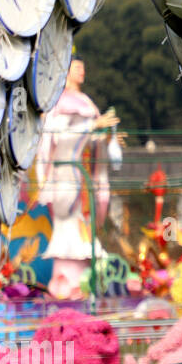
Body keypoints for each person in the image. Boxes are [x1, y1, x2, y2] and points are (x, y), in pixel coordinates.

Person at [33, 57, 121, 300]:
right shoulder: (60, 103)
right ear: (65, 71)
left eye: (83, 67)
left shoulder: (85, 102)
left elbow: (91, 139)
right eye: (76, 67)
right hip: (66, 175)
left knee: (85, 227)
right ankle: (67, 287)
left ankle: (82, 287)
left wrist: (106, 138)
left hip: (85, 178)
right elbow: (59, 137)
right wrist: (92, 127)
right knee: (69, 231)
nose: (82, 71)